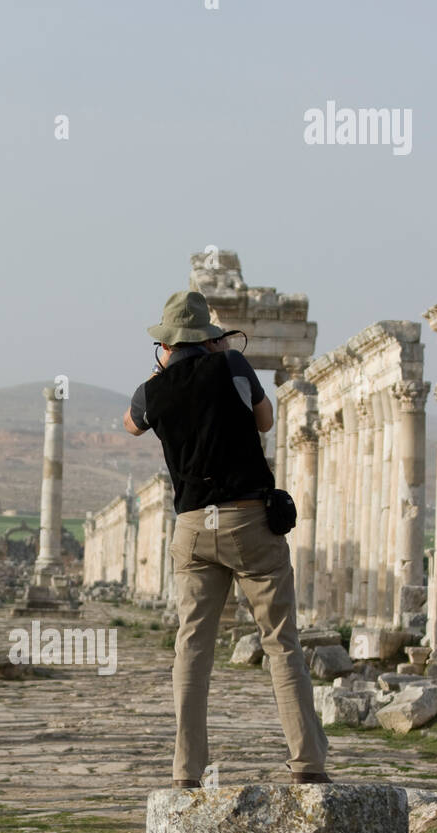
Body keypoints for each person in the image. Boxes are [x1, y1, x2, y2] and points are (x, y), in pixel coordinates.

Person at [124, 289, 329, 787]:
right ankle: (307, 763)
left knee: (192, 647)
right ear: (208, 337)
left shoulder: (153, 391)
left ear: (166, 344)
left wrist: (163, 375)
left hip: (194, 527)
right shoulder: (233, 365)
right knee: (281, 642)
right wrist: (220, 358)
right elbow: (266, 420)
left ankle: (186, 771)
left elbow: (131, 426)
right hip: (249, 520)